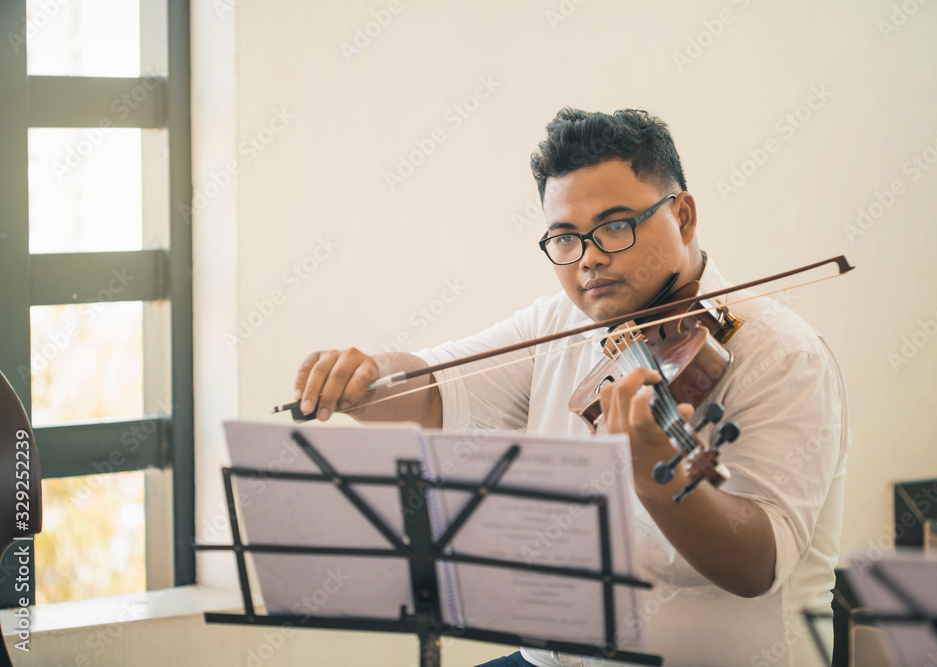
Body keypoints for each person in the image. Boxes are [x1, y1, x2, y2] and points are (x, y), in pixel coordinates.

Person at [292, 108, 850, 666]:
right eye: (565, 238)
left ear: (682, 217)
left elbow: (757, 566)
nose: (590, 258)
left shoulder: (782, 354)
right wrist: (368, 380)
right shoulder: (559, 322)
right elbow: (436, 388)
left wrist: (660, 480)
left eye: (615, 226)